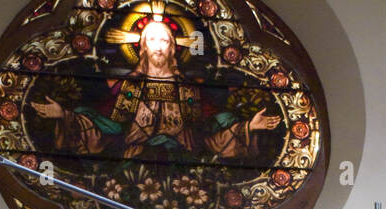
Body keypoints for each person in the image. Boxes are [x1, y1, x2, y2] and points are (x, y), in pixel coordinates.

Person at [30, 19, 280, 161]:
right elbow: (106, 135)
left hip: (185, 168)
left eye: (164, 40)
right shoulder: (128, 87)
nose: (158, 46)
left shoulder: (189, 90)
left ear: (173, 48)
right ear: (143, 47)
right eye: (152, 39)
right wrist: (65, 116)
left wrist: (248, 128)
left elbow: (208, 139)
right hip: (132, 165)